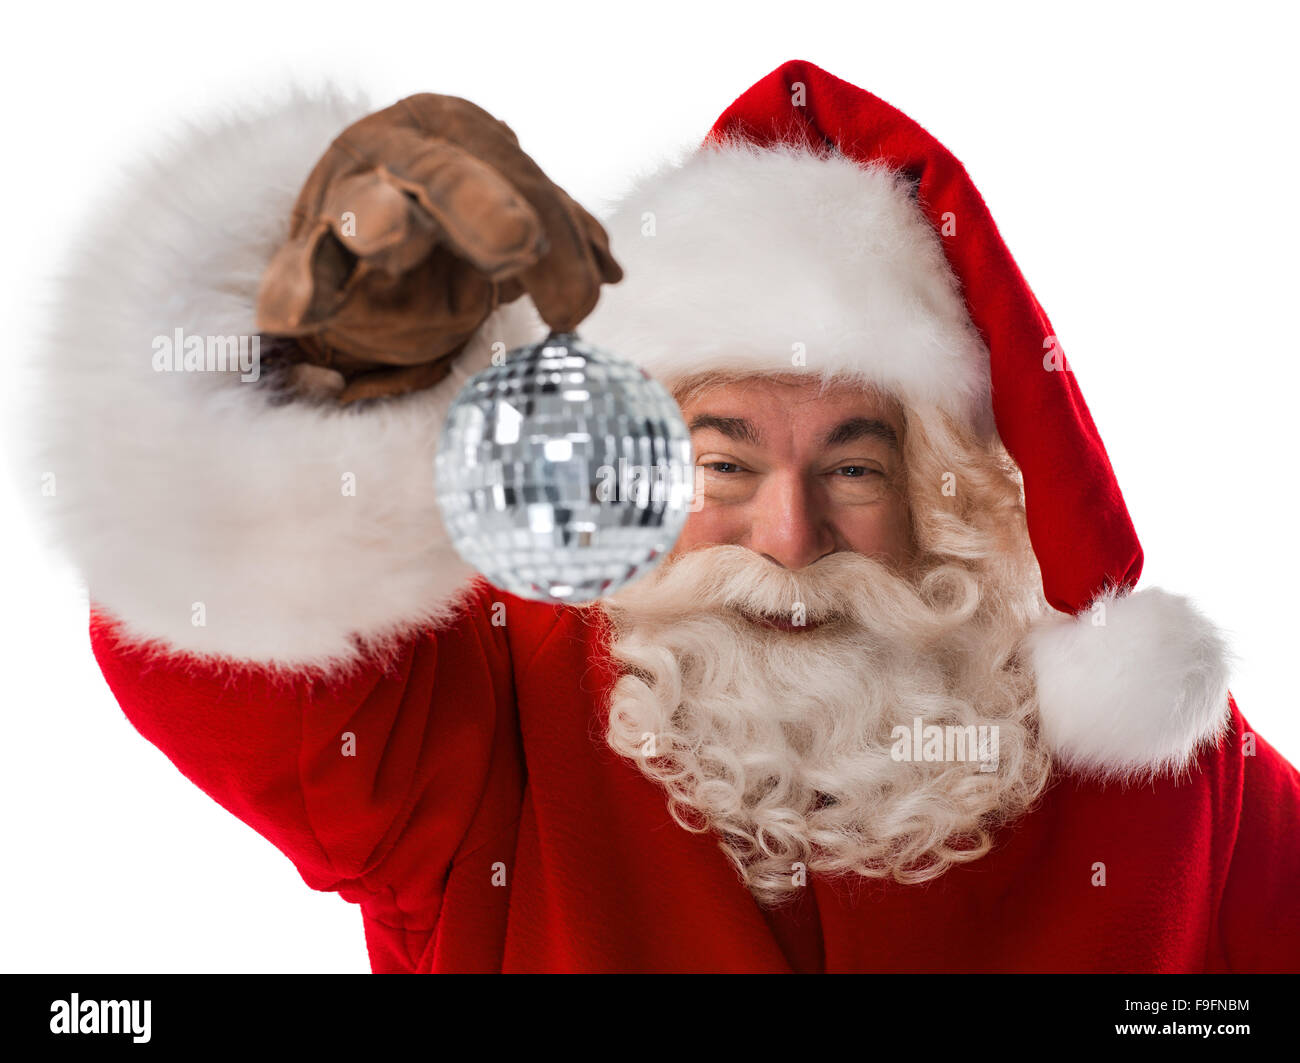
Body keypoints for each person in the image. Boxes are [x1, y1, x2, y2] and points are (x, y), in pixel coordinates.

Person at [30, 59, 1300, 972]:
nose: (789, 542)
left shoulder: (1169, 781)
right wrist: (315, 373)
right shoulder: (487, 726)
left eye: (855, 469)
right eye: (725, 467)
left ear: (944, 497)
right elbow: (216, 665)